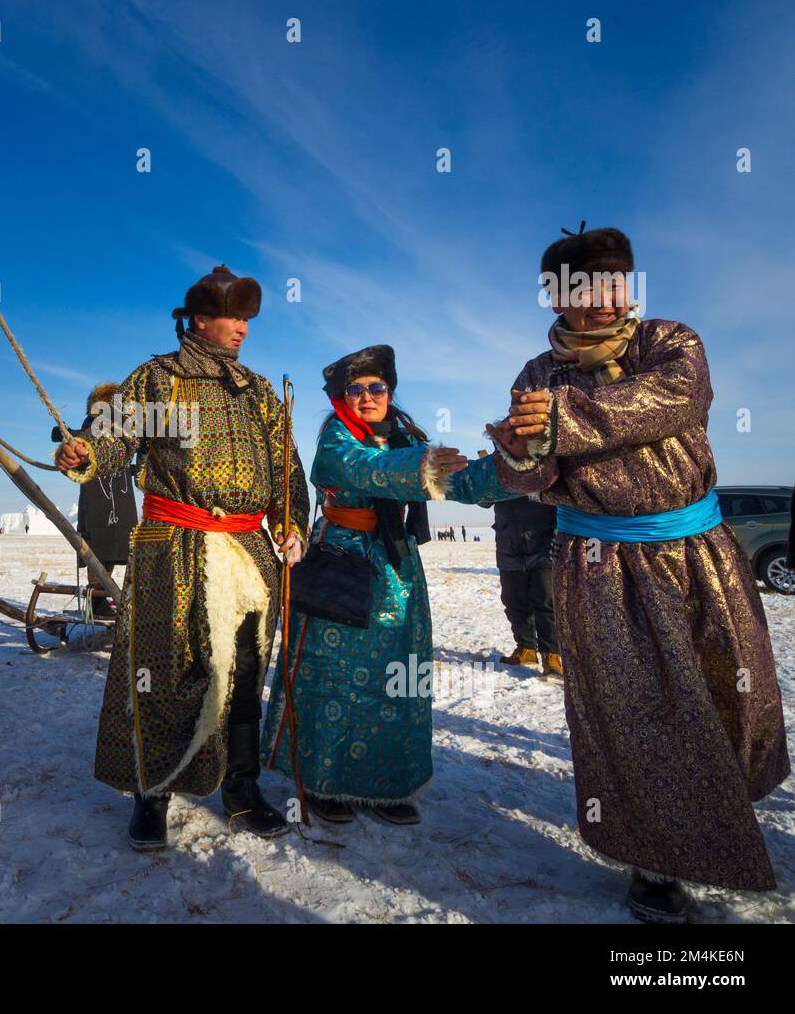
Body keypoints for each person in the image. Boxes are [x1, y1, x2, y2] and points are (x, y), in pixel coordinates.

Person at [489, 224, 790, 923]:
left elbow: (677, 398)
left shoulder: (670, 342)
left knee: (729, 692)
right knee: (642, 714)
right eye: (582, 289)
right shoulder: (537, 376)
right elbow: (531, 475)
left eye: (613, 283)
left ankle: (716, 812)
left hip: (700, 554)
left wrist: (560, 419)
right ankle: (655, 864)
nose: (602, 299)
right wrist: (519, 451)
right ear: (555, 298)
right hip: (601, 569)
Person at [55, 265, 309, 851]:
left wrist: (292, 521)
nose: (243, 328)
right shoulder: (156, 381)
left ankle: (241, 790)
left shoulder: (260, 391)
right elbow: (114, 441)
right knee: (166, 676)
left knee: (245, 674)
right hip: (173, 551)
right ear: (199, 319)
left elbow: (286, 469)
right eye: (232, 317)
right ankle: (153, 794)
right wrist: (84, 452)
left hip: (249, 552)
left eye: (248, 318)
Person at [260, 345, 514, 826]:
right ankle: (323, 781)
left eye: (376, 387)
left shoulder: (406, 440)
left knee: (398, 678)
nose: (367, 396)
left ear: (390, 390)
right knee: (334, 676)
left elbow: (459, 484)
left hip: (396, 569)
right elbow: (360, 470)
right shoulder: (336, 439)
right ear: (341, 396)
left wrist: (511, 461)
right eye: (355, 389)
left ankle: (388, 784)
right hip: (343, 558)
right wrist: (421, 468)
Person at [52, 384, 139, 619]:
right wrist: (68, 436)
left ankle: (107, 598)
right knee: (100, 547)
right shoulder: (94, 426)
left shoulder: (123, 428)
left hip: (118, 493)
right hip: (100, 495)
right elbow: (88, 441)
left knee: (117, 547)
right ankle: (98, 600)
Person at [490, 496, 559, 677]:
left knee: (546, 600)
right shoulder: (495, 467)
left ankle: (552, 654)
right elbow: (482, 499)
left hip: (544, 543)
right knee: (513, 601)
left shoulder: (543, 467)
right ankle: (525, 648)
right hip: (509, 543)